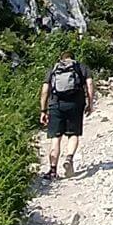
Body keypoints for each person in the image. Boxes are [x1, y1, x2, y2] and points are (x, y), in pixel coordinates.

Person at [39, 50, 93, 178]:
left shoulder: (54, 68)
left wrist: (43, 110)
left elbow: (45, 90)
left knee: (55, 138)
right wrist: (90, 103)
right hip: (75, 104)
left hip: (55, 105)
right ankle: (69, 158)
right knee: (73, 134)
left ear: (61, 58)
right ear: (73, 58)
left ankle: (52, 171)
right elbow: (89, 84)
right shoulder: (80, 66)